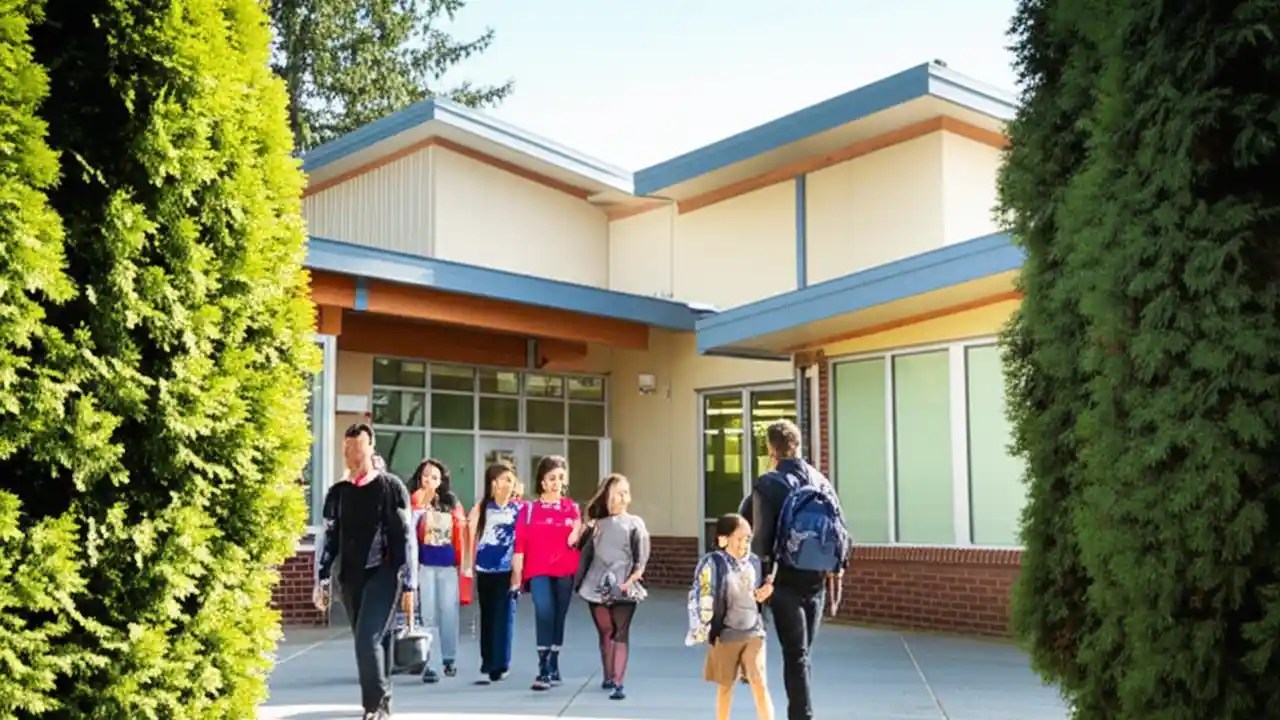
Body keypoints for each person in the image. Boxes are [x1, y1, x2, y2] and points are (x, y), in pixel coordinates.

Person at [747, 420, 850, 720]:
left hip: (783, 581)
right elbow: (842, 530)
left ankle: (801, 716)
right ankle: (803, 713)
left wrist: (761, 582)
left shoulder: (768, 483)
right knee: (802, 654)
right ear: (798, 445)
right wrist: (838, 568)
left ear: (771, 448)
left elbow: (761, 538)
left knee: (795, 654)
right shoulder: (821, 481)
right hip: (816, 579)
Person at [314, 423, 417, 720]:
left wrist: (409, 584)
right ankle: (383, 703)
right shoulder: (338, 493)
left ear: (370, 448)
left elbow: (405, 537)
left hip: (384, 573)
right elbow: (330, 538)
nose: (352, 454)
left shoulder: (390, 487)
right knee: (375, 640)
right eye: (347, 448)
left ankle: (373, 706)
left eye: (357, 447)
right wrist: (322, 579)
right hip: (350, 576)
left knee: (367, 639)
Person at [687, 513, 775, 720]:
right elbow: (700, 593)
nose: (744, 543)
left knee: (759, 681)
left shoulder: (754, 561)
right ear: (723, 539)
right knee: (726, 686)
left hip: (754, 630)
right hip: (726, 633)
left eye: (747, 539)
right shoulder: (713, 563)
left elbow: (762, 589)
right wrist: (702, 625)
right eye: (739, 538)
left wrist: (767, 591)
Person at [512, 455, 584, 690]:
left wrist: (578, 531)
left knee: (558, 617)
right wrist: (516, 578)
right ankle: (543, 668)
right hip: (538, 571)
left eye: (561, 478)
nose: (556, 482)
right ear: (542, 482)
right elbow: (520, 545)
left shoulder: (572, 509)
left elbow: (576, 539)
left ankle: (554, 663)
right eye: (551, 478)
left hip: (564, 571)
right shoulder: (529, 510)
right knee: (544, 611)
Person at [575, 473, 650, 701]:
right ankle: (608, 675)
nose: (623, 496)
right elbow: (580, 550)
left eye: (625, 492)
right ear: (607, 496)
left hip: (624, 583)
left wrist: (633, 577)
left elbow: (641, 557)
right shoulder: (596, 526)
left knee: (621, 632)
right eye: (617, 492)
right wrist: (580, 531)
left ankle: (619, 681)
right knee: (605, 631)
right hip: (596, 584)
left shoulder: (635, 523)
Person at [408, 458, 468, 683]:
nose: (429, 480)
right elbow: (408, 530)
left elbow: (462, 529)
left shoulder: (451, 501)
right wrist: (419, 509)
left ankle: (449, 658)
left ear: (441, 480)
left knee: (448, 612)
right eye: (425, 476)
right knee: (428, 613)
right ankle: (429, 663)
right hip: (425, 563)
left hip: (448, 564)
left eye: (434, 476)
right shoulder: (414, 500)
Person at [468, 462, 522, 684]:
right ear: (493, 483)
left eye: (511, 480)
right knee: (488, 617)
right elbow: (471, 536)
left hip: (506, 570)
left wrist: (518, 574)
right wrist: (468, 567)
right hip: (484, 570)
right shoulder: (482, 508)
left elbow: (522, 543)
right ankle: (488, 662)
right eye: (504, 479)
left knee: (505, 617)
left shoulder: (518, 509)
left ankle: (502, 663)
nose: (509, 484)